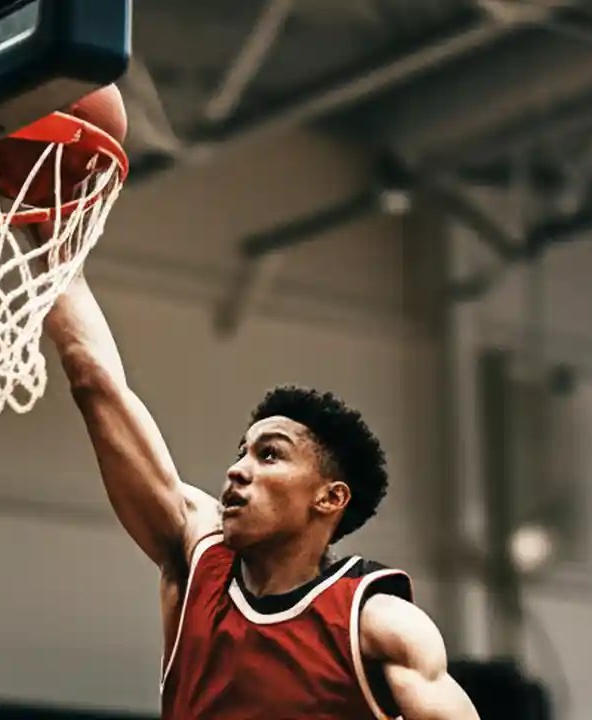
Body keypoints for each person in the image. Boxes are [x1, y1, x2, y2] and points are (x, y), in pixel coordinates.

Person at [42, 268, 480, 719]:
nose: (236, 470)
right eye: (241, 453)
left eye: (269, 456)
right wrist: (56, 250)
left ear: (330, 498)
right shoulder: (198, 558)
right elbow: (93, 380)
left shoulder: (378, 624)